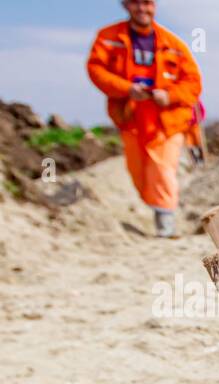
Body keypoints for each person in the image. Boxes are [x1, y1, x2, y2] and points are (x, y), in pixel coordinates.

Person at [87, 0, 202, 236]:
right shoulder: (109, 37)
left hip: (168, 119)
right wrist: (126, 88)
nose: (143, 9)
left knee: (162, 168)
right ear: (127, 6)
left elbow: (193, 82)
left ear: (154, 6)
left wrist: (169, 95)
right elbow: (96, 70)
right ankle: (157, 209)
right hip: (131, 117)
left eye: (147, 4)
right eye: (136, 4)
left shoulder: (173, 44)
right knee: (138, 170)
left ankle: (165, 225)